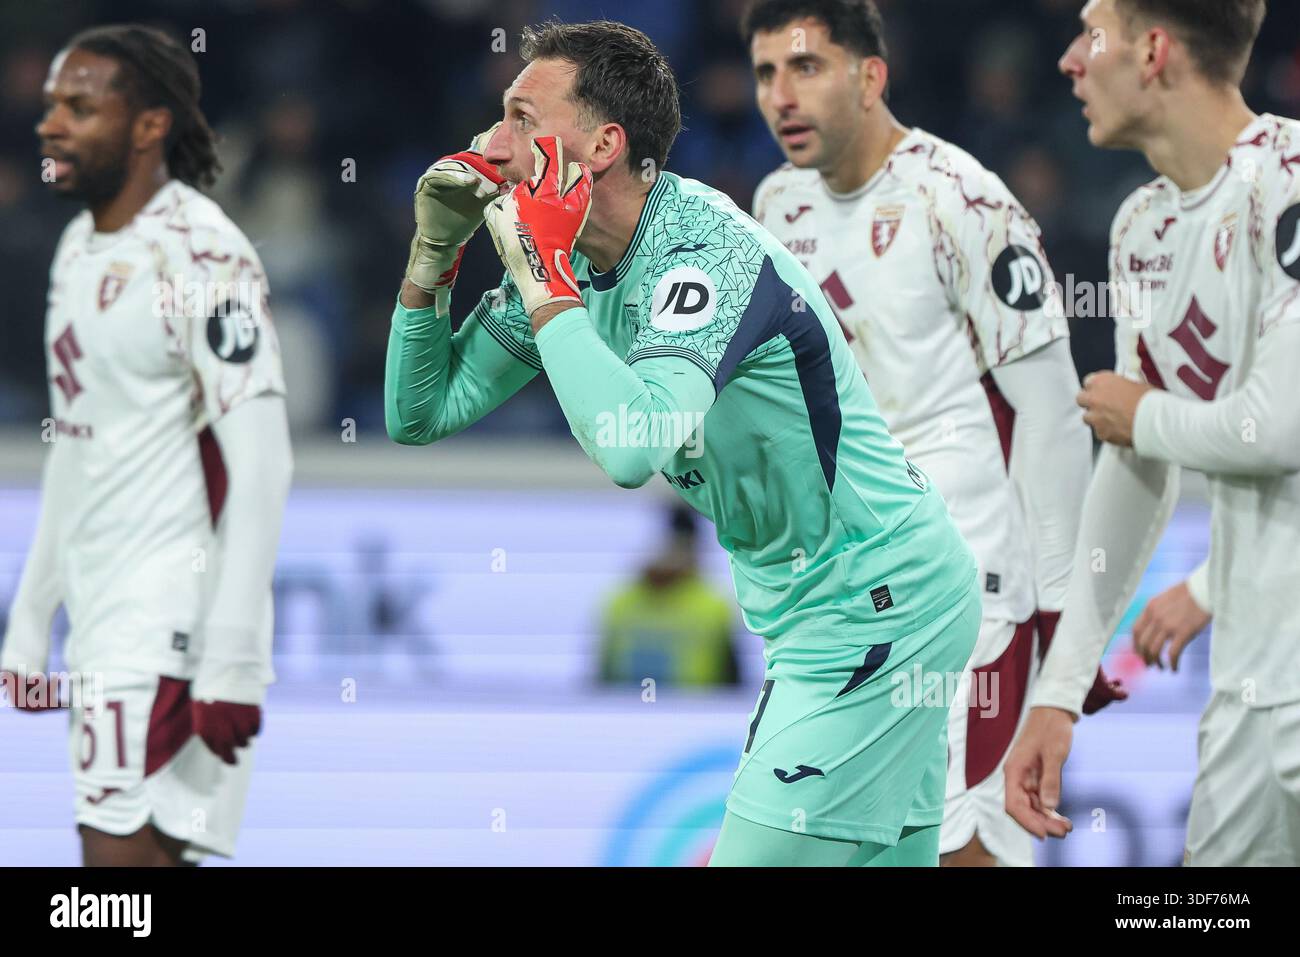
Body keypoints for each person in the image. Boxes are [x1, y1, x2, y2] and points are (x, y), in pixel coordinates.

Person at [385, 18, 980, 866]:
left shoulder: (704, 248)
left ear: (600, 145)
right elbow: (419, 413)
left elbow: (632, 448)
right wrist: (435, 249)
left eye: (522, 117)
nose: (490, 142)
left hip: (876, 603)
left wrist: (539, 271)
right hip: (830, 608)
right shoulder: (572, 257)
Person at [744, 0, 1118, 866]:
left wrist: (1060, 611)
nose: (779, 97)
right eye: (765, 73)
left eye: (806, 67)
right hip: (853, 597)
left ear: (870, 76)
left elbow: (1055, 416)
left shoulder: (962, 200)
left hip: (971, 588)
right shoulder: (778, 202)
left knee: (965, 851)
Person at [1006, 0, 1300, 866]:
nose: (1068, 60)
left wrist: (1143, 415)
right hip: (1250, 685)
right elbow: (1135, 472)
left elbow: (1282, 426)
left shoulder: (1293, 178)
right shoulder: (1142, 232)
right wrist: (1058, 692)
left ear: (1155, 49)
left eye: (1090, 34)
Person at [0, 24, 292, 866]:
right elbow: (77, 443)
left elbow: (262, 460)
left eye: (80, 107)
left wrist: (232, 656)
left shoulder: (201, 256)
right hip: (105, 620)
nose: (51, 124)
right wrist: (32, 615)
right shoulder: (79, 248)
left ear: (148, 126)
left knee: (109, 888)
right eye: (52, 103)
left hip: (169, 624)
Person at [597, 504, 740, 688]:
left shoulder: (714, 605)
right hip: (631, 712)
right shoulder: (620, 602)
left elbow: (732, 682)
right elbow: (602, 677)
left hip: (693, 712)